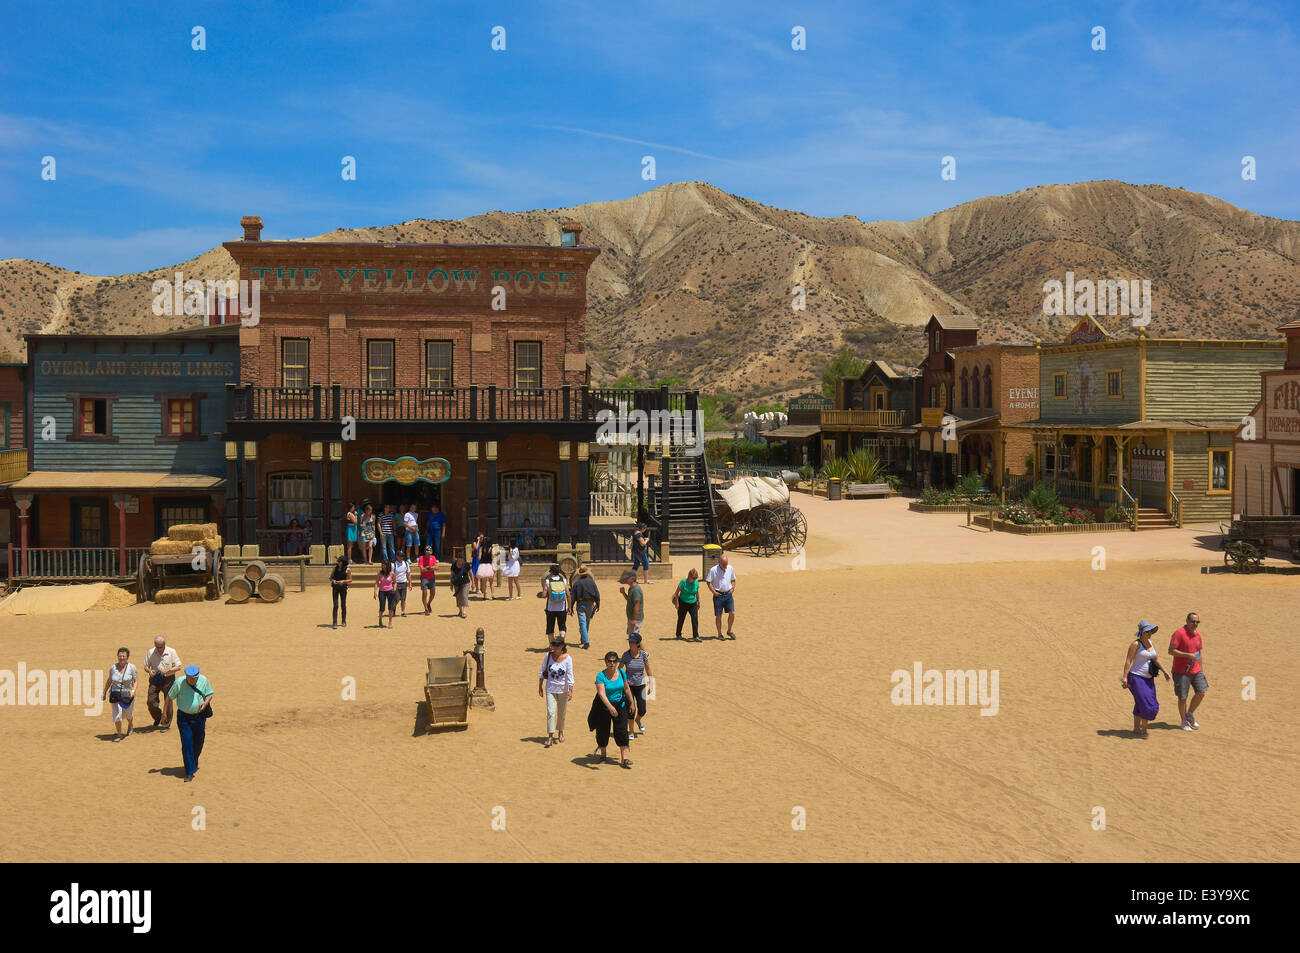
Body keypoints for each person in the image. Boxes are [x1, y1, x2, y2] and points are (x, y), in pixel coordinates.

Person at [1122, 621, 1169, 736]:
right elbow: (1129, 660)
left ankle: (1136, 728)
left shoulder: (1150, 642)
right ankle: (1144, 730)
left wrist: (1165, 671)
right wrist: (1124, 677)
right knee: (1146, 704)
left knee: (1141, 702)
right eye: (1147, 631)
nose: (1150, 633)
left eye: (1151, 631)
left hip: (1149, 679)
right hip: (1136, 678)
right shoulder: (1135, 644)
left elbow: (1156, 659)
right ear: (1142, 632)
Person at [168, 664, 213, 782]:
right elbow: (169, 697)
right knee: (187, 743)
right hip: (184, 718)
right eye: (190, 678)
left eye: (195, 678)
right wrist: (164, 713)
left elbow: (209, 694)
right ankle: (189, 771)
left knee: (199, 741)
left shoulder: (204, 680)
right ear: (186, 676)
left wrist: (206, 702)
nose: (193, 680)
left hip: (200, 717)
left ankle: (193, 760)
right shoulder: (179, 683)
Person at [589, 651, 633, 768]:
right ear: (605, 662)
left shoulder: (622, 673)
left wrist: (632, 703)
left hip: (620, 705)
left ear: (617, 662)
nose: (612, 664)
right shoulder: (601, 676)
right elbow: (601, 694)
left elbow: (627, 689)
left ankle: (625, 758)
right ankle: (603, 755)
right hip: (604, 707)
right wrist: (610, 707)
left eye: (614, 661)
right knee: (603, 731)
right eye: (609, 661)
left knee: (622, 730)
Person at [1169, 611, 1209, 731]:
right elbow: (1171, 651)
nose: (1195, 624)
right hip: (1181, 672)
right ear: (1187, 621)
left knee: (1201, 691)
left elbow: (1198, 653)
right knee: (1183, 697)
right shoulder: (1179, 634)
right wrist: (1187, 655)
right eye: (1193, 621)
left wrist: (1200, 669)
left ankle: (1190, 714)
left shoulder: (1198, 636)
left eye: (1197, 622)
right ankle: (1183, 722)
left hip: (1196, 670)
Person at [538, 635, 575, 748]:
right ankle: (550, 736)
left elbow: (570, 675)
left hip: (563, 690)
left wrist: (570, 690)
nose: (554, 647)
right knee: (551, 712)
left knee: (562, 713)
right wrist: (540, 687)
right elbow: (542, 671)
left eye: (557, 645)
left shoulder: (568, 658)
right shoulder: (548, 656)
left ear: (562, 646)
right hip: (550, 689)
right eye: (553, 644)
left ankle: (560, 732)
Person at [143, 635, 183, 730]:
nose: (159, 649)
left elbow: (178, 666)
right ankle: (158, 717)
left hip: (168, 679)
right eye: (157, 647)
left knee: (168, 702)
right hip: (155, 679)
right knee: (150, 701)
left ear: (164, 645)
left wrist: (168, 670)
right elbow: (145, 666)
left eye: (160, 647)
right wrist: (149, 671)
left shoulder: (171, 651)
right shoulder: (151, 652)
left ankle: (166, 724)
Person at [621, 633, 653, 737]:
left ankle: (638, 720)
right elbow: (620, 669)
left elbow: (648, 668)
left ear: (638, 643)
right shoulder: (626, 655)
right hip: (628, 686)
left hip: (641, 685)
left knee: (642, 709)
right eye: (629, 642)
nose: (630, 643)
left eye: (632, 642)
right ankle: (631, 731)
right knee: (631, 710)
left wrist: (651, 684)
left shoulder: (643, 655)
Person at [102, 647, 137, 741]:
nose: (121, 658)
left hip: (128, 694)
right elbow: (109, 680)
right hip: (115, 694)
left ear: (127, 657)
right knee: (117, 714)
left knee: (128, 714)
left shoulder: (132, 667)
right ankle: (119, 734)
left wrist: (133, 691)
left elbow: (135, 681)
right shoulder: (113, 668)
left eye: (124, 656)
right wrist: (104, 692)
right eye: (120, 656)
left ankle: (130, 724)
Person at [706, 553, 738, 640]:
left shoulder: (730, 568)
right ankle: (719, 634)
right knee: (718, 616)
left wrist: (733, 588)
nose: (725, 566)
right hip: (718, 595)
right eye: (724, 564)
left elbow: (733, 579)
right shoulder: (713, 570)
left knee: (732, 613)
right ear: (719, 562)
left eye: (726, 564)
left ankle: (729, 631)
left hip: (728, 594)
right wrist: (713, 592)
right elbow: (708, 582)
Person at [569, 565, 600, 649]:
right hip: (590, 604)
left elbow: (573, 597)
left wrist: (570, 607)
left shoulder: (577, 583)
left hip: (581, 605)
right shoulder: (591, 582)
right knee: (587, 622)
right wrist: (598, 604)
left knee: (582, 623)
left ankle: (586, 641)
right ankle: (584, 639)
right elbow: (597, 594)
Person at [541, 562, 569, 641]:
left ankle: (551, 646)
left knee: (550, 628)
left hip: (550, 608)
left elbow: (543, 595)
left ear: (551, 572)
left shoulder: (548, 581)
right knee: (562, 627)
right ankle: (561, 644)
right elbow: (568, 594)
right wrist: (569, 607)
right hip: (562, 608)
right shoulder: (563, 580)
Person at [673, 568, 701, 641]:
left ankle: (696, 636)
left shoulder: (696, 582)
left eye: (696, 578)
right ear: (689, 576)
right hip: (683, 603)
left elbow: (697, 592)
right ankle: (678, 634)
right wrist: (677, 603)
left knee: (695, 619)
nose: (694, 579)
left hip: (693, 603)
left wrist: (698, 601)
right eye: (693, 578)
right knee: (681, 619)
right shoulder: (683, 582)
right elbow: (676, 593)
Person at [619, 569, 644, 639]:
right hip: (632, 617)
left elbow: (637, 605)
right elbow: (630, 600)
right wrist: (623, 593)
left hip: (635, 618)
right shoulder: (631, 588)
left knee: (633, 639)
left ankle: (639, 650)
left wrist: (634, 620)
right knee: (633, 638)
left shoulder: (636, 590)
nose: (625, 580)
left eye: (627, 578)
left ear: (632, 579)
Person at [373, 560, 397, 628]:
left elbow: (395, 582)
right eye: (382, 565)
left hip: (390, 591)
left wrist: (394, 589)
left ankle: (390, 622)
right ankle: (380, 620)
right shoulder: (380, 573)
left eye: (384, 565)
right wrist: (375, 592)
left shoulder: (392, 573)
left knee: (390, 607)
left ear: (387, 565)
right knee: (382, 607)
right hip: (382, 591)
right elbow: (376, 583)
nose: (382, 566)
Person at [330, 555, 351, 628]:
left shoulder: (347, 569)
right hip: (335, 587)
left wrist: (343, 581)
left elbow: (350, 580)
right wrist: (333, 581)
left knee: (343, 604)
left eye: (339, 561)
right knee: (335, 605)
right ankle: (334, 622)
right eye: (338, 561)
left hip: (343, 588)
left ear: (343, 562)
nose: (338, 562)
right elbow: (331, 577)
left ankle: (343, 621)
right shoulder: (335, 568)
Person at [449, 554, 472, 619]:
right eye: (459, 559)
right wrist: (451, 584)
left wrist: (473, 583)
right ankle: (460, 611)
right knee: (458, 597)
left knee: (464, 595)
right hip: (457, 583)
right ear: (457, 559)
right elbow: (452, 575)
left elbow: (471, 573)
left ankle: (464, 612)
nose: (460, 561)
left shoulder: (466, 565)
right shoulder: (454, 565)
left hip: (465, 583)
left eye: (461, 559)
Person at [418, 546, 438, 615]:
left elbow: (437, 567)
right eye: (427, 553)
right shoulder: (421, 558)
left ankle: (428, 603)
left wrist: (428, 568)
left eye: (429, 553)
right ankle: (426, 608)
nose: (428, 554)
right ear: (425, 552)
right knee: (424, 593)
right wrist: (431, 568)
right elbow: (421, 569)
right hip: (424, 578)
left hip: (432, 577)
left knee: (433, 593)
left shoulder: (433, 557)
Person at [393, 551, 411, 617]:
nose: (401, 557)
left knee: (403, 599)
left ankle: (403, 612)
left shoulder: (406, 564)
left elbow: (408, 574)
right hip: (396, 584)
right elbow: (392, 575)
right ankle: (393, 609)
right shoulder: (394, 565)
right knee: (396, 599)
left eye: (402, 556)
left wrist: (410, 583)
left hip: (404, 583)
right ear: (397, 556)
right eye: (400, 556)